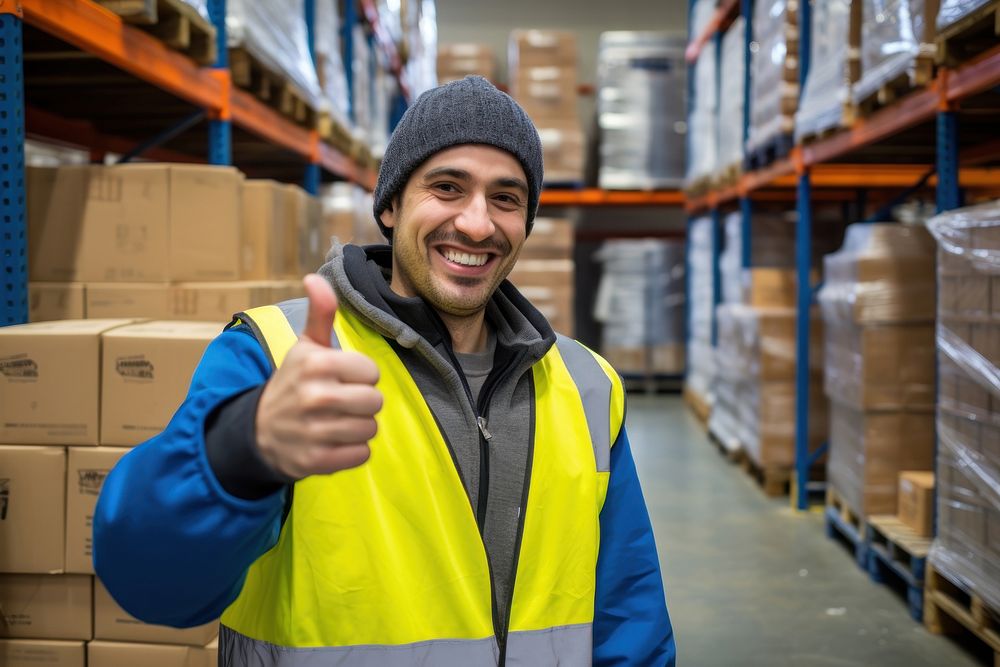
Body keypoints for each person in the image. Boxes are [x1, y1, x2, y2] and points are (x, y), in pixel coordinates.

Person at [94, 75, 675, 666]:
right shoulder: (277, 358)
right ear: (391, 206)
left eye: (506, 198)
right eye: (447, 188)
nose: (477, 225)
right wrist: (244, 449)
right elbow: (150, 583)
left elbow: (629, 618)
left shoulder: (584, 384)